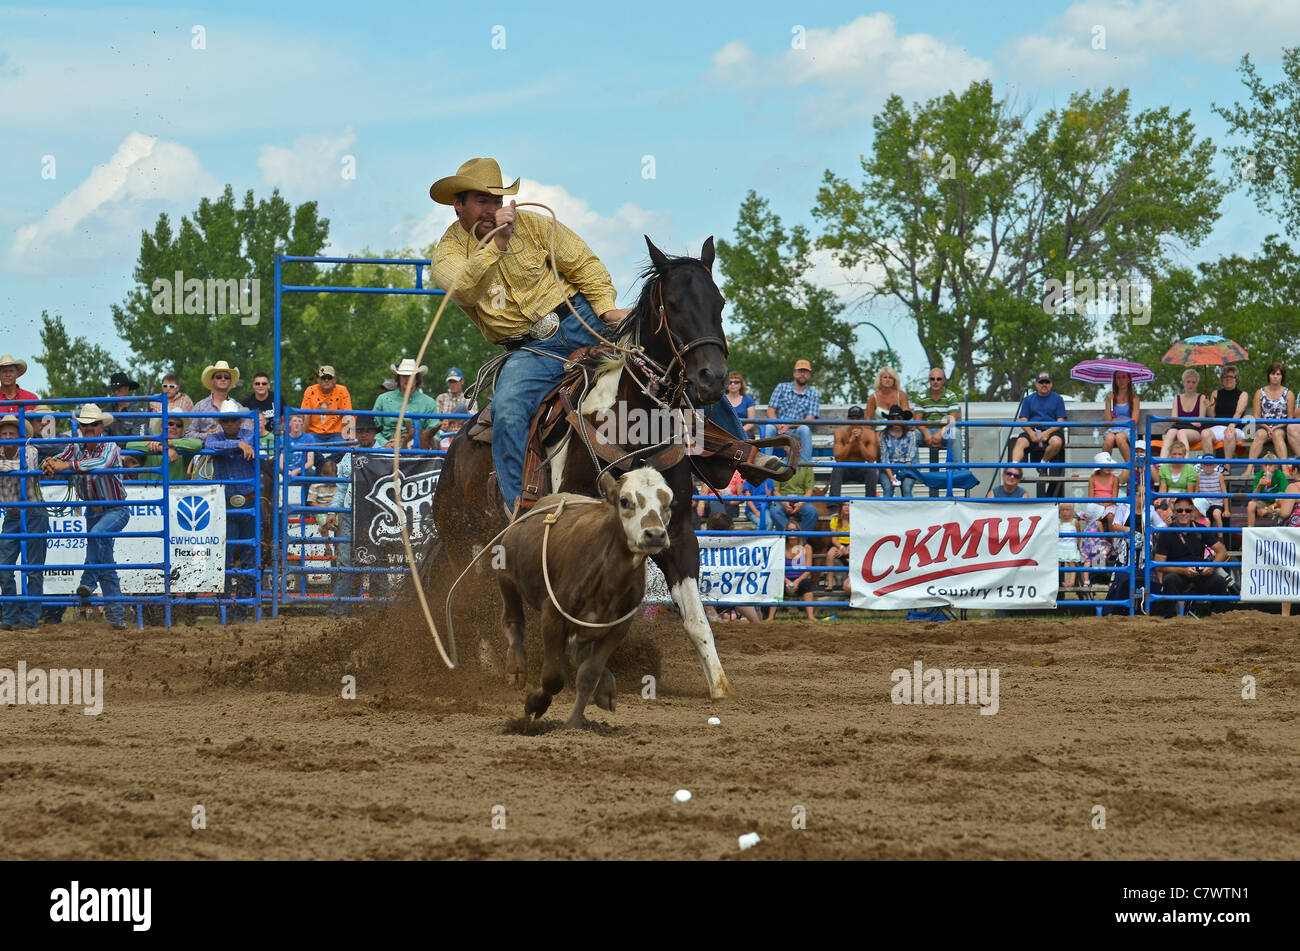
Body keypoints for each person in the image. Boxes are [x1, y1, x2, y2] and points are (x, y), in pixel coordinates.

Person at [431, 157, 646, 515]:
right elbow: (465, 289)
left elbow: (583, 264)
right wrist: (496, 245)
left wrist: (607, 308)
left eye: (497, 201)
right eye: (483, 201)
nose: (493, 209)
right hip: (529, 351)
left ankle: (736, 448)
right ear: (459, 204)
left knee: (667, 351)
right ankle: (518, 509)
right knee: (509, 408)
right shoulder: (448, 254)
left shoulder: (532, 224)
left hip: (581, 318)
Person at [42, 404, 129, 630]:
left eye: (93, 424)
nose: (88, 428)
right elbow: (60, 458)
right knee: (107, 564)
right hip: (94, 508)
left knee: (96, 534)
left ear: (101, 426)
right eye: (85, 425)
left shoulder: (109, 446)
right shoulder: (75, 446)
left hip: (115, 508)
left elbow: (101, 464)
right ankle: (117, 618)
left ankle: (87, 583)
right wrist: (50, 463)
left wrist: (65, 465)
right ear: (80, 426)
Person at [203, 400, 258, 616]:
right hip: (229, 503)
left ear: (239, 420)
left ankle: (243, 606)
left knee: (249, 554)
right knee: (225, 556)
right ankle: (224, 606)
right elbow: (209, 444)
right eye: (225, 420)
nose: (229, 423)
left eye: (233, 419)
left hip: (248, 501)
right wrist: (237, 446)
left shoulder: (248, 435)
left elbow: (247, 441)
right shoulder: (217, 437)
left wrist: (237, 444)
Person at [0, 414, 45, 630]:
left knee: (34, 568)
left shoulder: (30, 450)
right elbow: (20, 468)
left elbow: (26, 468)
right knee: (4, 568)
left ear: (20, 435)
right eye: (4, 433)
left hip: (33, 513)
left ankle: (30, 617)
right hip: (13, 515)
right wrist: (12, 466)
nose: (8, 436)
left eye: (12, 433)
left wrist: (4, 466)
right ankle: (9, 617)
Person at [1153, 498, 1230, 617]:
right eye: (1179, 510)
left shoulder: (1200, 529)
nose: (1184, 513)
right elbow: (1159, 565)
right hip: (1178, 574)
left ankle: (1215, 617)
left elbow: (1222, 551)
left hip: (1200, 573)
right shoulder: (1166, 533)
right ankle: (1170, 618)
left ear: (1193, 511)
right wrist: (1183, 570)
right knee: (1170, 580)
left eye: (1187, 510)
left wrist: (1211, 567)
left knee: (1219, 582)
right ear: (1174, 512)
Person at [1010, 371, 1067, 497]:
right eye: (1041, 382)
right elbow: (1023, 420)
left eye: (1047, 382)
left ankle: (1043, 462)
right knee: (1019, 442)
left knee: (1057, 442)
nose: (1044, 384)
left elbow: (1060, 422)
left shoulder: (1058, 399)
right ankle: (1013, 469)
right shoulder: (1028, 400)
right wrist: (1030, 433)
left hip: (1052, 430)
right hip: (1033, 430)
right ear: (1036, 384)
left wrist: (1048, 432)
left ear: (1051, 384)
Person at [915, 367, 962, 494]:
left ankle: (957, 471)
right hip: (926, 430)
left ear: (943, 381)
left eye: (939, 379)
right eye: (932, 379)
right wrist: (925, 433)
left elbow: (952, 418)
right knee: (911, 435)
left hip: (944, 429)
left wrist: (939, 433)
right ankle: (915, 471)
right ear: (929, 381)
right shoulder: (922, 396)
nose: (935, 381)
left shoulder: (950, 395)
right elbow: (917, 420)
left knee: (956, 433)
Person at [373, 358, 439, 449]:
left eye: (411, 376)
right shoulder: (383, 399)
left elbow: (435, 432)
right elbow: (372, 428)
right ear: (398, 378)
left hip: (418, 449)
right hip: (386, 448)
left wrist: (423, 444)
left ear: (417, 379)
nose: (407, 379)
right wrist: (385, 443)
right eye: (404, 375)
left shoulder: (429, 402)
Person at [763, 359, 819, 467]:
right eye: (800, 371)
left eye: (805, 371)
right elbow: (770, 411)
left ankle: (805, 467)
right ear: (794, 373)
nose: (802, 374)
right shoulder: (781, 387)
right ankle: (765, 464)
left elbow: (809, 419)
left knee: (805, 429)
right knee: (769, 427)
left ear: (809, 375)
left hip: (797, 430)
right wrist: (779, 426)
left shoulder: (813, 394)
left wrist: (788, 425)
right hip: (778, 428)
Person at [1245, 362, 1294, 479]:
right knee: (1259, 434)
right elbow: (1256, 417)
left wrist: (1275, 428)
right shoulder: (1259, 392)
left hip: (1282, 426)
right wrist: (1267, 428)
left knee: (1277, 434)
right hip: (1263, 425)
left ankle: (1285, 469)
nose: (1275, 376)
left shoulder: (1289, 393)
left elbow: (1290, 418)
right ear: (1269, 375)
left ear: (1282, 376)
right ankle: (1249, 469)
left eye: (1278, 374)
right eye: (1273, 373)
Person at [767, 520, 817, 622]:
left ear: (799, 531)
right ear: (785, 531)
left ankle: (811, 617)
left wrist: (797, 582)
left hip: (800, 579)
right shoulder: (780, 547)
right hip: (784, 578)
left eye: (795, 529)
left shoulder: (807, 547)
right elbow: (776, 568)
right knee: (776, 584)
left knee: (807, 585)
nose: (792, 532)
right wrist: (786, 581)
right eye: (789, 530)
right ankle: (770, 617)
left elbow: (808, 570)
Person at [124, 417, 202, 482]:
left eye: (179, 425)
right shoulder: (153, 444)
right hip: (149, 494)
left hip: (175, 494)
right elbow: (129, 445)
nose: (174, 427)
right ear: (161, 427)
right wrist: (161, 447)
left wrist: (167, 443)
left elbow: (198, 444)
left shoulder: (183, 447)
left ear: (182, 430)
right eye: (170, 424)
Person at [300, 365, 352, 461]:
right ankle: (326, 468)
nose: (326, 380)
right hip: (314, 433)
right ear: (318, 380)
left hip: (337, 434)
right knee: (307, 448)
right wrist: (302, 437)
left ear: (334, 379)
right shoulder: (310, 391)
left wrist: (351, 438)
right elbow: (305, 416)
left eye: (329, 377)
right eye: (323, 378)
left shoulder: (342, 390)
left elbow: (348, 415)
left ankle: (324, 467)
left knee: (343, 448)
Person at [1202, 365, 1247, 471]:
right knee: (1205, 433)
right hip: (1218, 427)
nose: (1228, 379)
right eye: (1225, 377)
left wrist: (1231, 425)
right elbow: (1212, 415)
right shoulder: (1216, 393)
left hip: (1235, 427)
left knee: (1229, 433)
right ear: (1222, 380)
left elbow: (1239, 412)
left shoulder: (1242, 394)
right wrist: (1208, 405)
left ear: (1236, 379)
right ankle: (1210, 467)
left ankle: (1226, 467)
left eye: (1231, 377)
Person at [830, 405, 877, 500]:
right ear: (848, 419)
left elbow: (871, 459)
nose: (855, 421)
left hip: (861, 468)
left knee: (871, 470)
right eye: (852, 418)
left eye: (858, 418)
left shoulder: (870, 434)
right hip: (845, 468)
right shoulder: (840, 433)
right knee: (837, 468)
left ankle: (871, 503)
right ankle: (833, 505)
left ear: (863, 419)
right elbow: (838, 458)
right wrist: (850, 441)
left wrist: (860, 441)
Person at [1271, 467, 1300, 616]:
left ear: (1295, 471)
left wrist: (1277, 511)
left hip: (1295, 534)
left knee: (1288, 572)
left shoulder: (1293, 487)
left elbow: (1285, 513)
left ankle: (1285, 614)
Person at [187, 360, 240, 438]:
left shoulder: (238, 407)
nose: (223, 379)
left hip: (232, 449)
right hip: (206, 448)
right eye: (219, 377)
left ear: (230, 382)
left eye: (227, 377)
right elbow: (188, 434)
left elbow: (247, 433)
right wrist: (207, 436)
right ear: (212, 381)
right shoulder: (200, 406)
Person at [768, 454, 818, 535]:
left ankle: (800, 538)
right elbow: (775, 491)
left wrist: (801, 503)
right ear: (785, 447)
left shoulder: (806, 465)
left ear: (800, 447)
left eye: (795, 445)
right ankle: (788, 538)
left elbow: (809, 491)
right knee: (775, 511)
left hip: (801, 499)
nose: (792, 448)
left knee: (812, 512)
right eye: (789, 445)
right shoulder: (778, 465)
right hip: (782, 499)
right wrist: (784, 503)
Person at [880, 405, 919, 497]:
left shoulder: (911, 434)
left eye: (898, 418)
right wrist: (891, 477)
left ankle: (908, 510)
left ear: (903, 420)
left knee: (906, 488)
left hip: (907, 468)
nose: (896, 421)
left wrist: (903, 471)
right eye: (893, 418)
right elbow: (884, 459)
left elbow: (910, 457)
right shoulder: (883, 435)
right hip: (889, 469)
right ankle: (886, 510)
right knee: (888, 489)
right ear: (889, 420)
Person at [1166, 368, 1208, 454]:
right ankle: (1161, 463)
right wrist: (1190, 421)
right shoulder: (1177, 398)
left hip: (1195, 431)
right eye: (1188, 382)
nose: (1190, 385)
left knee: (1181, 433)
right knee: (1170, 432)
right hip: (1179, 427)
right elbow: (1173, 419)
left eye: (1193, 382)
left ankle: (1186, 462)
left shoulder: (1202, 397)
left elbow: (1200, 421)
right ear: (1183, 382)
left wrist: (1183, 421)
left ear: (1197, 384)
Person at [1102, 370, 1139, 462]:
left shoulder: (1134, 399)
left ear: (1128, 380)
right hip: (1112, 429)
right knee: (1109, 439)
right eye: (1118, 378)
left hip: (1128, 429)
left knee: (1119, 437)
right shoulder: (1111, 398)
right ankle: (1103, 468)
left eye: (1123, 377)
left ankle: (1131, 468)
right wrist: (1108, 402)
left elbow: (1134, 421)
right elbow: (1107, 422)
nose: (1121, 380)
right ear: (1115, 380)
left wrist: (1115, 420)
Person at [1193, 454, 1229, 545]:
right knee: (1202, 519)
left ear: (1215, 465)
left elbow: (1224, 492)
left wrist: (1227, 510)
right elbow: (1196, 491)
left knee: (1216, 514)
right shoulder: (1199, 476)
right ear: (1201, 465)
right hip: (1204, 503)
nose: (1208, 467)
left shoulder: (1219, 475)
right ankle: (1205, 539)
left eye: (1211, 464)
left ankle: (1220, 538)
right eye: (1206, 464)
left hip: (1216, 502)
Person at [1157, 437, 1195, 524]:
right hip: (1168, 498)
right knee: (1159, 510)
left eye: (1180, 454)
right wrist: (1160, 499)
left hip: (1184, 498)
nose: (1177, 456)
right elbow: (1162, 489)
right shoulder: (1163, 468)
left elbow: (1190, 493)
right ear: (1170, 454)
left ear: (1184, 455)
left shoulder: (1190, 469)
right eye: (1174, 454)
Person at [1246, 457, 1289, 527]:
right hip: (1263, 503)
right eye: (1265, 465)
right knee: (1251, 504)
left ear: (1276, 466)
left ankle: (1282, 532)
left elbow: (1283, 498)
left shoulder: (1280, 475)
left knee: (1282, 505)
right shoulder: (1259, 475)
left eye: (1270, 465)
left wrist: (1267, 509)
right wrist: (1259, 486)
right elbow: (1253, 499)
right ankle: (1250, 530)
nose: (1267, 467)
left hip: (1277, 504)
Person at [149, 372, 195, 436]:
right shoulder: (154, 399)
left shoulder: (185, 400)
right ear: (162, 387)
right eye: (165, 386)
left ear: (177, 388)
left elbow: (192, 420)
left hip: (177, 435)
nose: (168, 389)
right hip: (154, 434)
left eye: (171, 386)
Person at [1088, 451, 1123, 533]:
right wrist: (1098, 506)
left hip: (1110, 505)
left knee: (1111, 516)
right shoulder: (1092, 478)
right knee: (1093, 516)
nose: (1108, 467)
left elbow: (1114, 498)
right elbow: (1090, 497)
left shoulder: (1115, 479)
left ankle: (1113, 539)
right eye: (1105, 465)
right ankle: (1096, 541)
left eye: (1109, 465)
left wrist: (1104, 505)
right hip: (1096, 504)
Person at [0, 355, 40, 421]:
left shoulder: (31, 398)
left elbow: (39, 424)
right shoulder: (31, 398)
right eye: (4, 371)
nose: (8, 375)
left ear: (17, 374)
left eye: (11, 371)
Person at [104, 371, 143, 439]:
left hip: (129, 449)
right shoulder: (106, 410)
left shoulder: (138, 413)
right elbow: (102, 434)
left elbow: (138, 439)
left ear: (127, 388)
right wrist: (113, 448)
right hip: (109, 448)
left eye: (118, 388)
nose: (116, 392)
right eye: (114, 389)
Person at [824, 500, 851, 593]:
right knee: (830, 553)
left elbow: (856, 538)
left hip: (852, 544)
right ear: (841, 507)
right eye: (845, 505)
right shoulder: (835, 520)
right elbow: (834, 539)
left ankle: (852, 581)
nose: (847, 507)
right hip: (839, 545)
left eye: (849, 505)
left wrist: (847, 548)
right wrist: (842, 548)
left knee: (854, 552)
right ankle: (830, 583)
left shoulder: (855, 521)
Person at [1057, 502, 1083, 596]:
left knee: (1072, 563)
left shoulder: (1074, 522)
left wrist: (1079, 546)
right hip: (1060, 546)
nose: (1065, 512)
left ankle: (1071, 582)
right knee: (1058, 563)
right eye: (1063, 510)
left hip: (1071, 546)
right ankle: (1058, 581)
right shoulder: (1058, 521)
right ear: (1059, 511)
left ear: (1072, 511)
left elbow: (1079, 535)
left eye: (1067, 510)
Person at [724, 372, 758, 438]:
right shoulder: (721, 400)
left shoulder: (748, 400)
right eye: (730, 382)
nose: (733, 384)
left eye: (736, 382)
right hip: (725, 431)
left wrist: (739, 431)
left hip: (744, 432)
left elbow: (751, 423)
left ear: (741, 384)